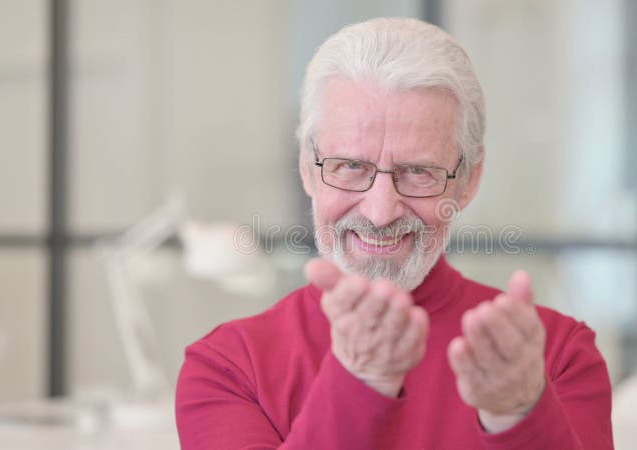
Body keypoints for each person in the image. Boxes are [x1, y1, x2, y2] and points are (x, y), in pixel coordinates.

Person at [176, 17, 613, 449]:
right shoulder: (229, 367)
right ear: (307, 169)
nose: (381, 212)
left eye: (418, 172)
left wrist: (519, 415)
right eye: (350, 166)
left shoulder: (552, 358)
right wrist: (360, 381)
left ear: (468, 180)